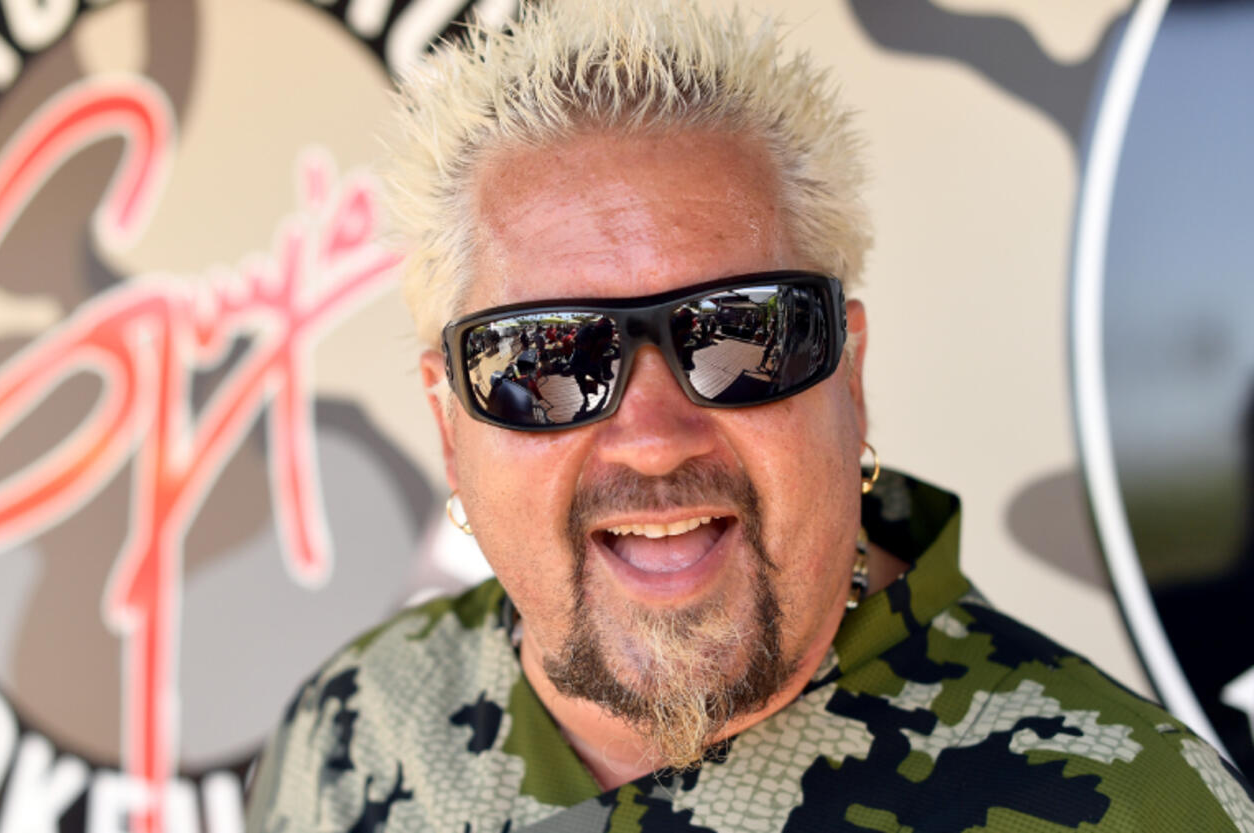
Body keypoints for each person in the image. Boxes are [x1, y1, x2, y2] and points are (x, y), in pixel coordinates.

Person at [245, 1, 1254, 830]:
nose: (653, 437)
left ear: (849, 376)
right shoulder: (355, 725)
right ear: (449, 424)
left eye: (740, 336)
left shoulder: (1135, 807)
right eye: (548, 361)